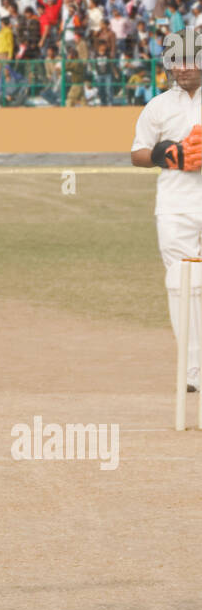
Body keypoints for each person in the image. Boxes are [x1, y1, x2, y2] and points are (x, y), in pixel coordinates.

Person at [131, 50, 202, 391]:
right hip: (174, 207)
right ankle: (193, 370)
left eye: (192, 60)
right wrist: (166, 153)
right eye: (178, 61)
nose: (184, 68)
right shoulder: (158, 105)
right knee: (183, 287)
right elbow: (137, 153)